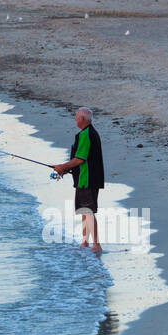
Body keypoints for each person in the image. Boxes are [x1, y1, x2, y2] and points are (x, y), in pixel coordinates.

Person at [51, 107, 105, 252]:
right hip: (85, 177)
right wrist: (66, 169)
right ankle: (85, 242)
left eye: (76, 117)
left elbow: (80, 159)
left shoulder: (87, 134)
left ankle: (96, 245)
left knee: (88, 211)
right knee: (84, 210)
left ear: (82, 119)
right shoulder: (87, 133)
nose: (75, 119)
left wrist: (62, 166)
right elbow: (81, 159)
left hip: (88, 178)